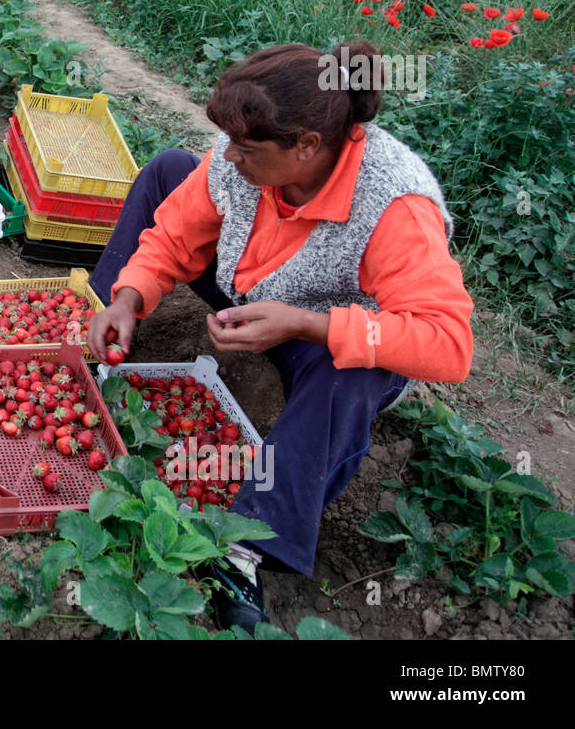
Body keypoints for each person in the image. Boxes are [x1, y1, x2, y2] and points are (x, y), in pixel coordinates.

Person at [86, 40, 474, 632]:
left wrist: (306, 324)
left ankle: (244, 550)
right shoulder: (239, 163)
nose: (229, 158)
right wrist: (129, 295)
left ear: (308, 146)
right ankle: (100, 337)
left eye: (247, 150)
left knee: (353, 377)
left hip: (327, 338)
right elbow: (175, 231)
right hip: (252, 292)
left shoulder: (395, 204)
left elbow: (447, 341)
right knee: (169, 169)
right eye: (231, 146)